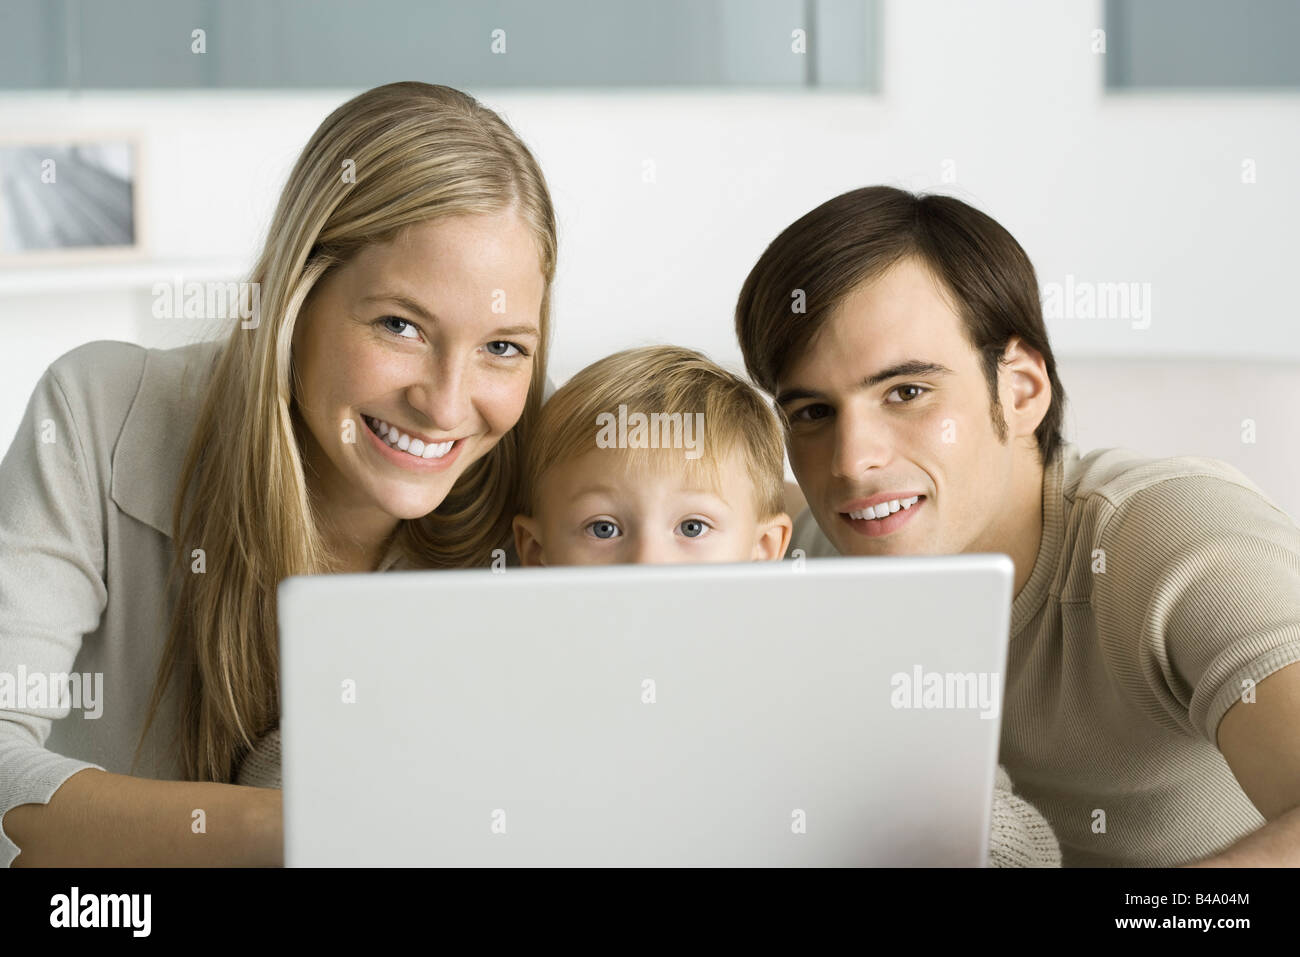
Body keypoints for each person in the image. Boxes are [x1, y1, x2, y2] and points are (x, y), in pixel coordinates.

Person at [0, 81, 558, 866]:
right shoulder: (99, 412)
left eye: (503, 346)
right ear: (295, 299)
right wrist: (291, 829)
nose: (444, 403)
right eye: (400, 325)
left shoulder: (551, 486)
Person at [734, 185, 1300, 866]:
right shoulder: (803, 554)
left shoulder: (1167, 536)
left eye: (907, 392)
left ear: (1022, 389)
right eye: (812, 413)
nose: (853, 464)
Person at [507, 344, 1058, 866]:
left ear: (764, 550)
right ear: (536, 552)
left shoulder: (839, 687)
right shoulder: (514, 699)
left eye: (693, 527)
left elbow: (1031, 854)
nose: (649, 565)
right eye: (603, 528)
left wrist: (914, 803)